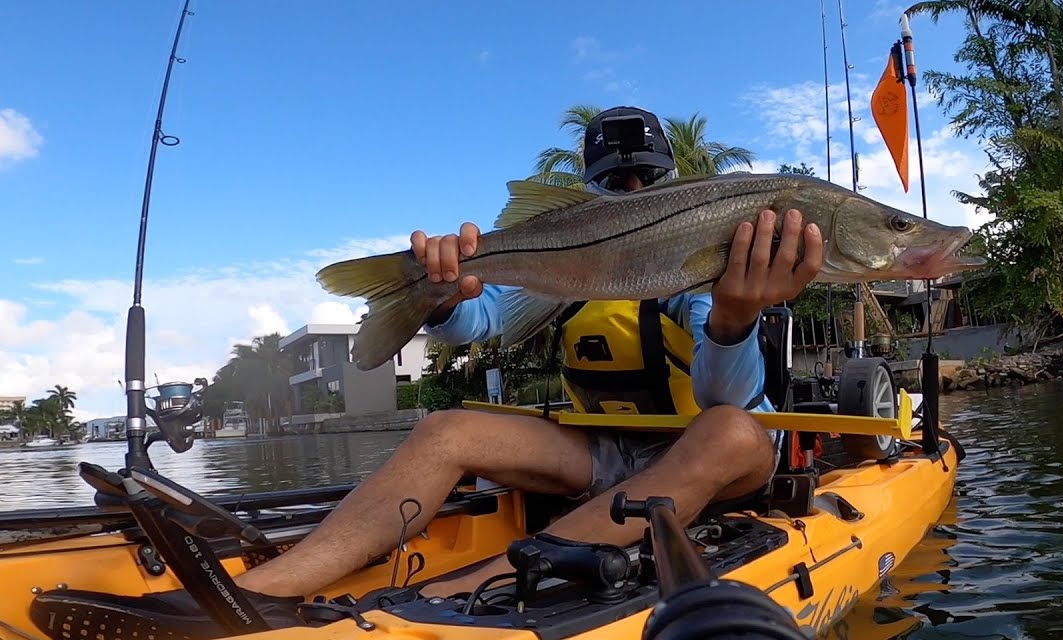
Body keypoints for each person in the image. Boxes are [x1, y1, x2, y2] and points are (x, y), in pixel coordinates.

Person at [31, 106, 824, 635]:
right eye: (614, 183)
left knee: (729, 429)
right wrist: (441, 297)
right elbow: (482, 321)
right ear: (586, 193)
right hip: (602, 451)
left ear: (674, 184)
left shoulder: (711, 252)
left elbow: (732, 401)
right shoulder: (565, 264)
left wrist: (731, 314)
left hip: (710, 455)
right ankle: (262, 596)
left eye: (647, 181)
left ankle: (440, 601)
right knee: (446, 425)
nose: (632, 192)